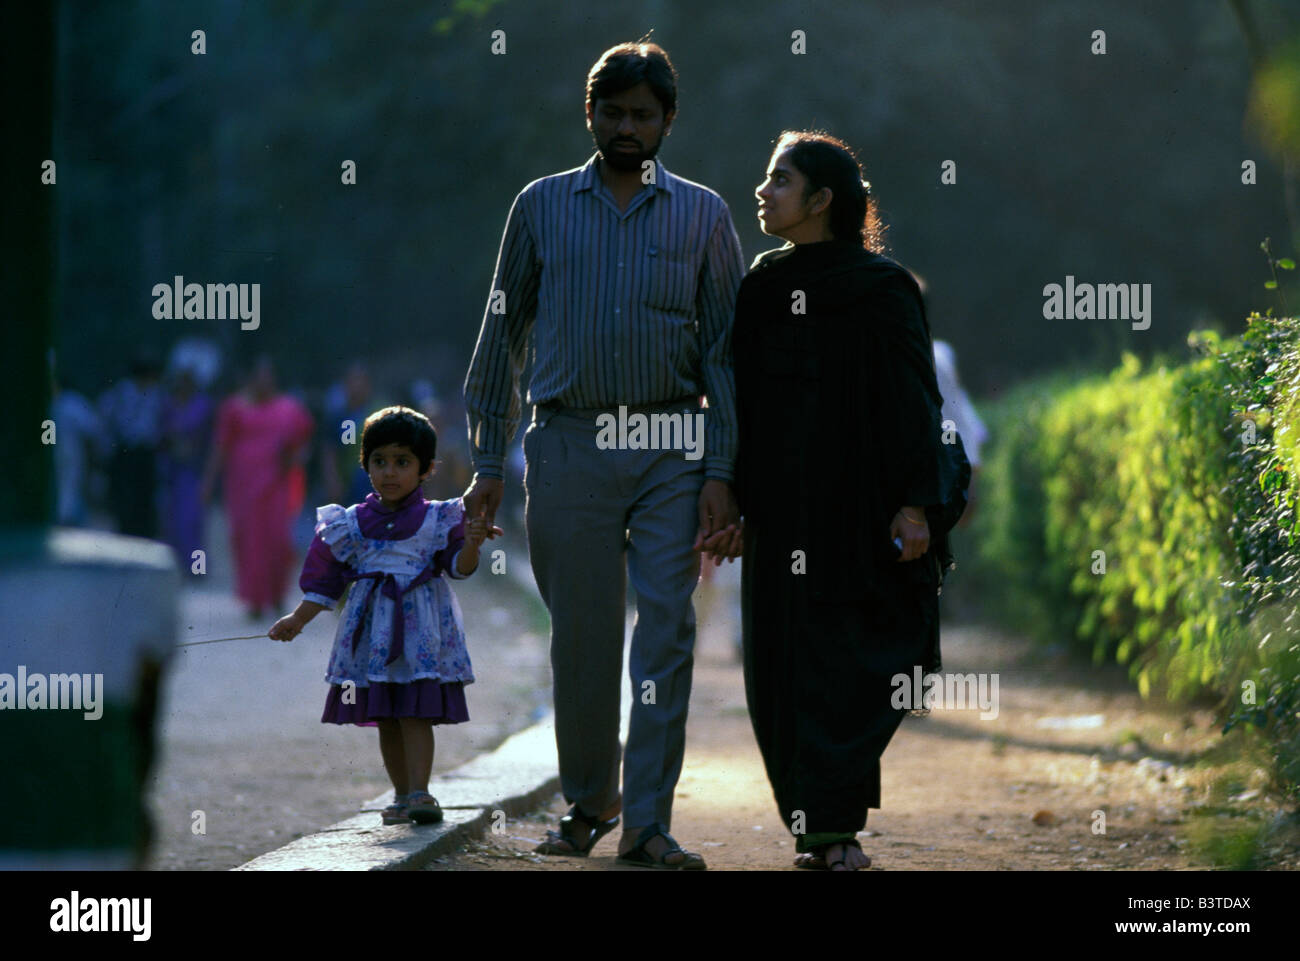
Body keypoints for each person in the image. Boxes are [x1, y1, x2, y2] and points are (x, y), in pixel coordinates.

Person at [462, 40, 745, 868]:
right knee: (581, 638)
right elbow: (501, 333)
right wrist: (486, 460)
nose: (627, 127)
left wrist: (723, 471)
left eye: (643, 115)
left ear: (668, 121)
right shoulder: (540, 205)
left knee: (666, 632)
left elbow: (726, 353)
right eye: (613, 112)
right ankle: (590, 802)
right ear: (589, 114)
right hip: (569, 439)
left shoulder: (705, 214)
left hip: (671, 445)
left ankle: (649, 825)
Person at [733, 130, 953, 870]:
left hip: (861, 514)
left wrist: (917, 504)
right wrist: (726, 494)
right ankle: (821, 829)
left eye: (781, 180)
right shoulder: (762, 285)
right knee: (784, 671)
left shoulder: (882, 288)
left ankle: (832, 824)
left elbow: (915, 403)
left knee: (860, 668)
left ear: (822, 200)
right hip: (780, 513)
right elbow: (739, 404)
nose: (763, 191)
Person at [268, 406, 497, 825]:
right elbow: (325, 582)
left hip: (422, 633)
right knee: (387, 715)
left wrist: (472, 544)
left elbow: (460, 569)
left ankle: (422, 792)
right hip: (372, 633)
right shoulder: (348, 524)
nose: (389, 472)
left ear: (426, 469)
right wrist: (296, 621)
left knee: (414, 711)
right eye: (379, 462)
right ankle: (400, 794)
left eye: (402, 462)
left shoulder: (439, 518)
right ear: (366, 464)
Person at [203, 356, 315, 618]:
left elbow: (305, 442)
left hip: (276, 484)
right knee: (248, 540)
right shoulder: (234, 408)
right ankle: (254, 600)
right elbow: (220, 446)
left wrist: (297, 458)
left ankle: (276, 594)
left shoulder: (289, 409)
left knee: (277, 540)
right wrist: (208, 481)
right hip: (243, 486)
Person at [98, 351, 166, 538]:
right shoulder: (120, 393)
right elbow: (107, 423)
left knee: (146, 504)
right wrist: (107, 454)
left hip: (147, 453)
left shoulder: (157, 395)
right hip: (126, 453)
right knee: (125, 504)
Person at [159, 365, 215, 573]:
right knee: (171, 521)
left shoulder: (203, 406)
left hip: (193, 471)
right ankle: (174, 567)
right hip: (171, 470)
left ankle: (196, 568)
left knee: (192, 522)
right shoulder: (168, 405)